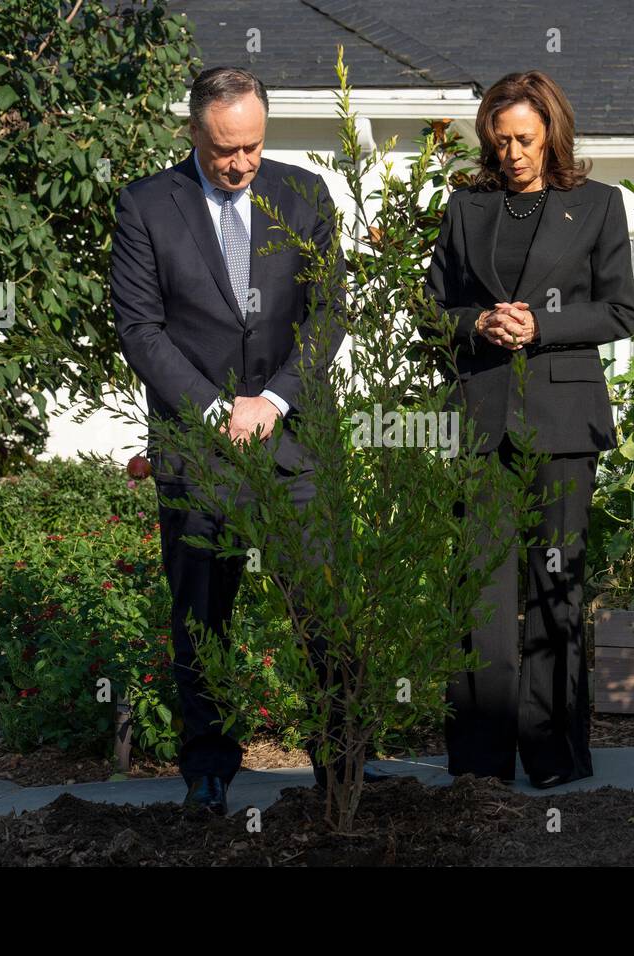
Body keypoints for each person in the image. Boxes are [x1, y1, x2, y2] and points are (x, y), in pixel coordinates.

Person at [110, 66, 379, 814]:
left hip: (293, 446)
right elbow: (141, 329)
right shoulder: (145, 206)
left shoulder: (304, 194)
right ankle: (207, 771)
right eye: (226, 149)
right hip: (199, 455)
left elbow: (329, 313)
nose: (241, 163)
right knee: (202, 620)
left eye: (253, 146)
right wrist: (214, 409)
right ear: (193, 132)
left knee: (326, 612)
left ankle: (342, 764)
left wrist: (273, 399)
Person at [423, 70, 634, 788]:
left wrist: (542, 324)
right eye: (500, 138)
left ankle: (553, 758)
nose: (512, 151)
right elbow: (433, 315)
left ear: (552, 130)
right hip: (480, 421)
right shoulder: (465, 208)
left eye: (524, 137)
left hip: (563, 422)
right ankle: (481, 763)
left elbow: (619, 312)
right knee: (478, 596)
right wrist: (477, 322)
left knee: (556, 593)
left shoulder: (599, 205)